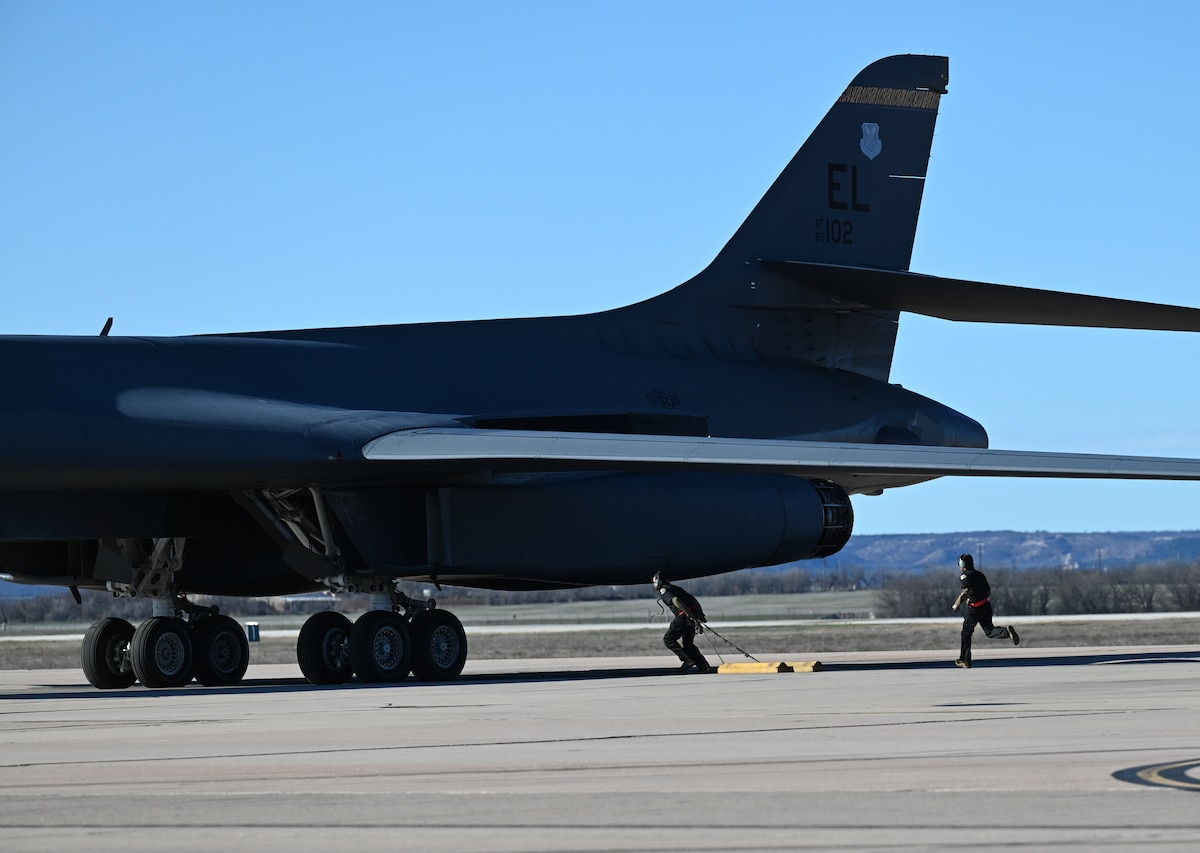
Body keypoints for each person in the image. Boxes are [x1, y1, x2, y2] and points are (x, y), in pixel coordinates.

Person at [952, 553, 1019, 668]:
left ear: (963, 564)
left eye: (960, 563)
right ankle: (1006, 632)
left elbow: (966, 591)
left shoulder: (965, 576)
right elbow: (988, 591)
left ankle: (965, 660)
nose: (959, 566)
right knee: (989, 631)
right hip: (986, 605)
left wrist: (957, 604)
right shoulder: (980, 575)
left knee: (966, 633)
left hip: (974, 608)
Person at [652, 572, 711, 673]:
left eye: (654, 582)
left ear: (659, 581)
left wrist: (688, 615)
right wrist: (699, 616)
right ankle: (703, 665)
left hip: (683, 617)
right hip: (692, 616)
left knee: (668, 639)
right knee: (688, 643)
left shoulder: (664, 590)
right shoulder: (676, 588)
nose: (654, 585)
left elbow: (675, 600)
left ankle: (687, 660)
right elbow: (694, 600)